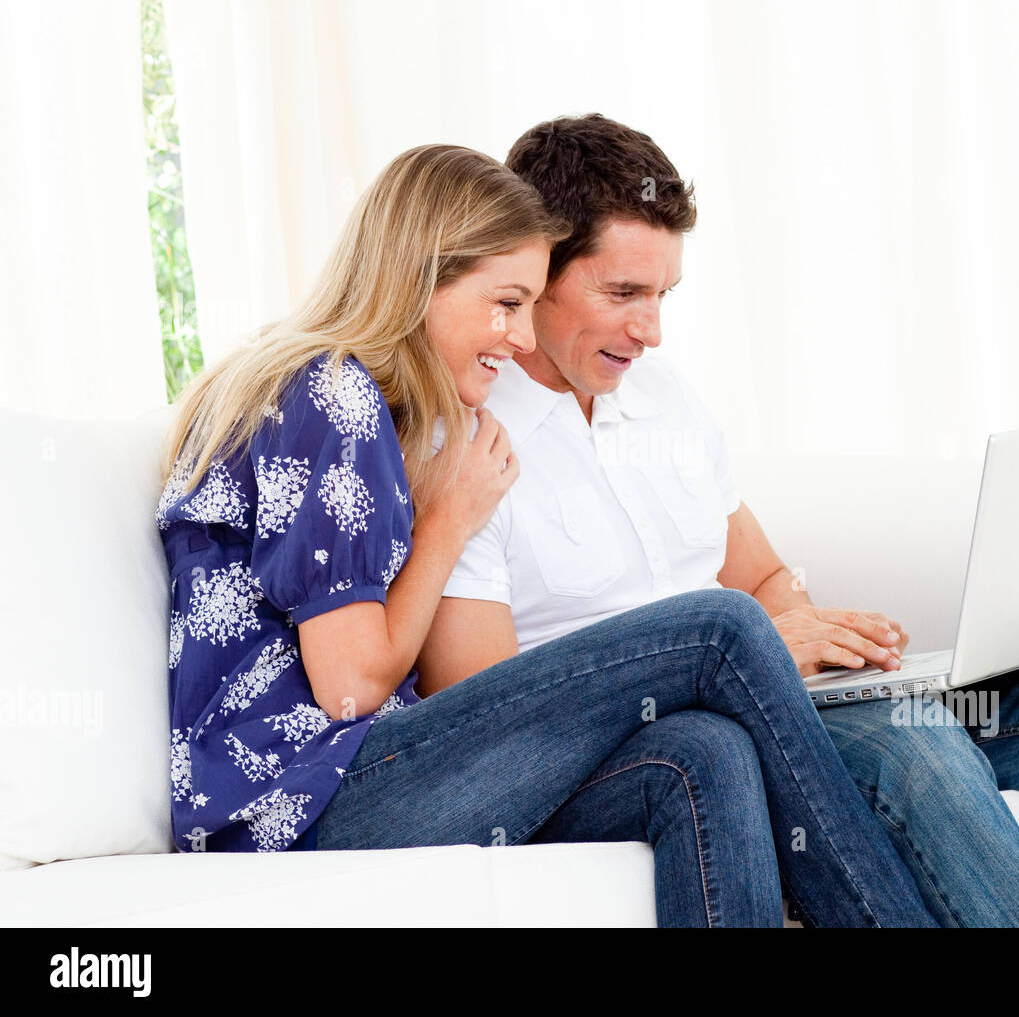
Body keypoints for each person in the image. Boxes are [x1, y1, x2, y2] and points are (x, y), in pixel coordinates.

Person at [421, 114, 1019, 928]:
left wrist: (812, 627)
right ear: (535, 275)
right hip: (678, 735)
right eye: (623, 292)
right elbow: (491, 715)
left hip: (789, 696)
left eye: (665, 295)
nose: (650, 330)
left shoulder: (661, 402)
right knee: (905, 748)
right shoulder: (466, 444)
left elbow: (759, 576)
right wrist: (756, 656)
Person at [156, 143, 936, 928]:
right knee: (721, 626)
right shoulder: (332, 394)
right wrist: (451, 521)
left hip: (353, 783)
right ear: (420, 280)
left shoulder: (376, 407)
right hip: (296, 810)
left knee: (702, 752)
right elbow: (352, 686)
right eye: (506, 303)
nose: (524, 339)